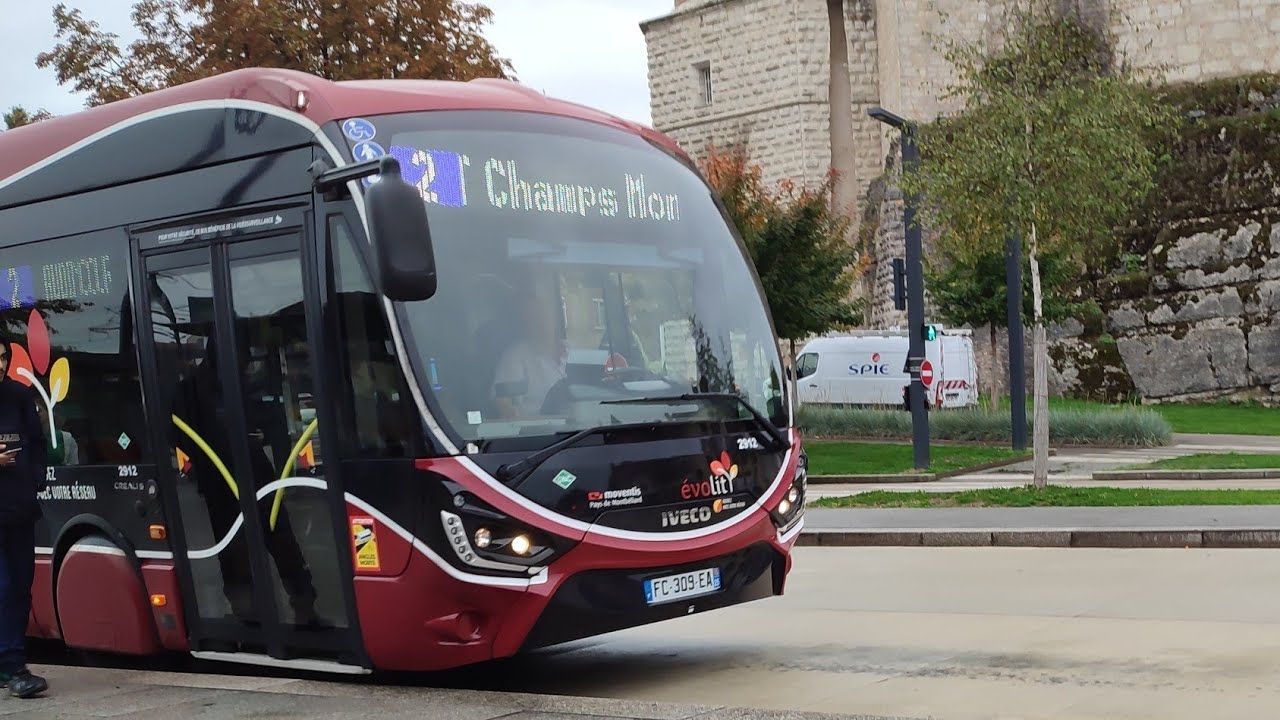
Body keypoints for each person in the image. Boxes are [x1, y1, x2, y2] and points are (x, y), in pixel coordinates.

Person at [0, 343, 49, 698]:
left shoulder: (18, 396)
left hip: (19, 510)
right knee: (1, 587)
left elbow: (38, 443)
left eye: (2, 357)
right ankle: (12, 667)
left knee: (20, 588)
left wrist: (36, 479)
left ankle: (13, 662)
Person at [490, 289, 567, 419]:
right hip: (540, 434)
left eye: (544, 314)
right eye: (533, 318)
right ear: (524, 325)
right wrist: (509, 411)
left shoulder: (573, 351)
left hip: (586, 430)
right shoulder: (515, 356)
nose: (541, 322)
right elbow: (502, 401)